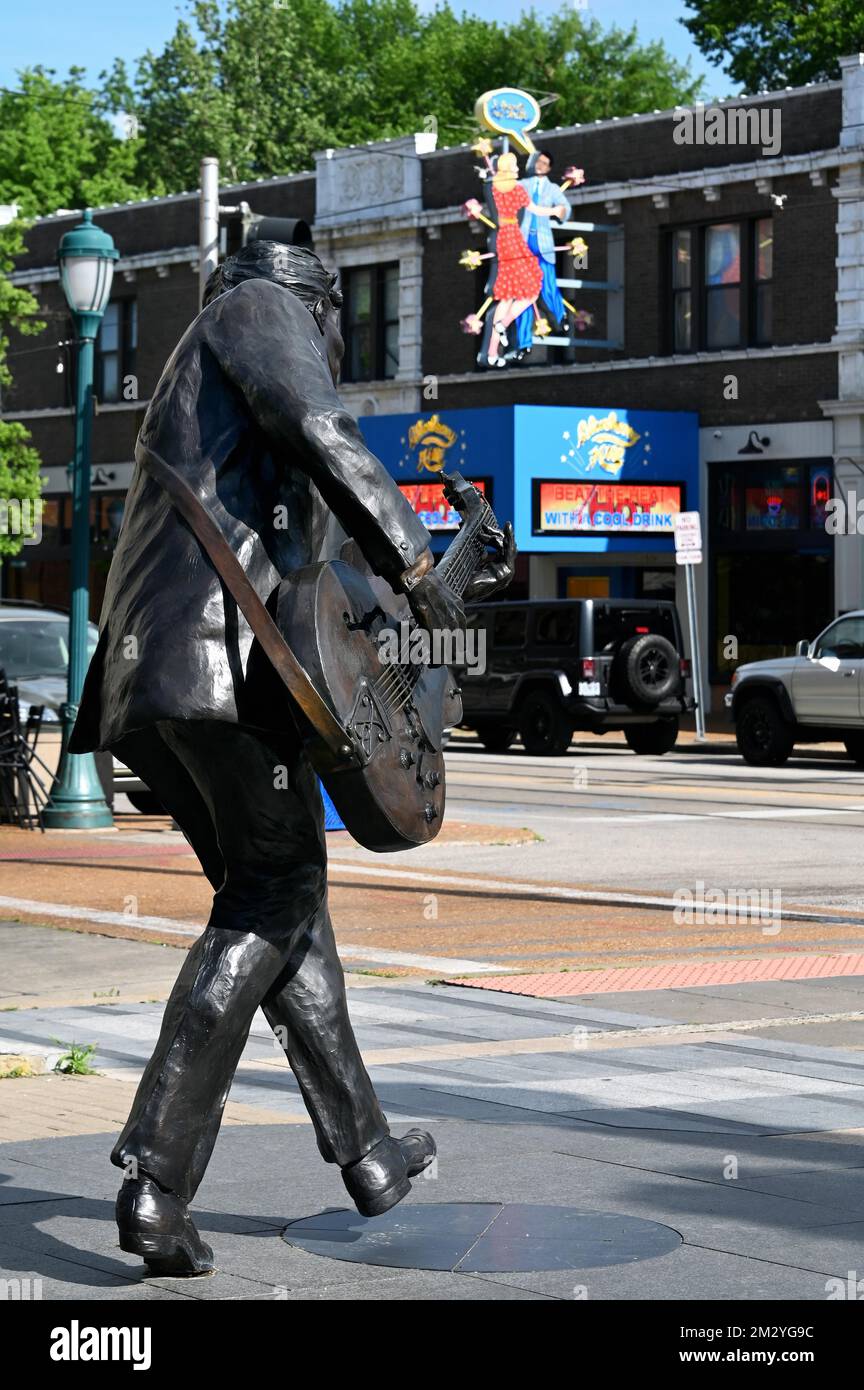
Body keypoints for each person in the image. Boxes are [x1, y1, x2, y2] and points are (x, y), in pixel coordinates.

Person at [70, 240, 514, 1276]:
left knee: (290, 908)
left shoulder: (217, 402)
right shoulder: (257, 304)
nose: (328, 347)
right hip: (218, 674)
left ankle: (367, 1152)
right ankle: (157, 1176)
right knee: (268, 900)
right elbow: (324, 428)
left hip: (169, 684)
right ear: (312, 304)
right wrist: (418, 553)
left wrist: (441, 578)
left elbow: (331, 593)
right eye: (333, 326)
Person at [484, 152, 563, 367]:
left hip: (504, 237)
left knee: (506, 297)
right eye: (515, 166)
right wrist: (555, 210)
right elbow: (535, 209)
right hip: (514, 238)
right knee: (532, 289)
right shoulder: (517, 189)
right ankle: (505, 324)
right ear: (508, 168)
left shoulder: (494, 188)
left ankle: (492, 352)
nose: (519, 169)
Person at [513, 150, 570, 353]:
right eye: (538, 161)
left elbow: (565, 207)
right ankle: (524, 342)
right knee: (523, 295)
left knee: (548, 284)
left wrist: (561, 211)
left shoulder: (552, 189)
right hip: (523, 242)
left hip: (543, 242)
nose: (540, 165)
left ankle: (560, 316)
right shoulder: (522, 185)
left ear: (549, 168)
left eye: (545, 163)